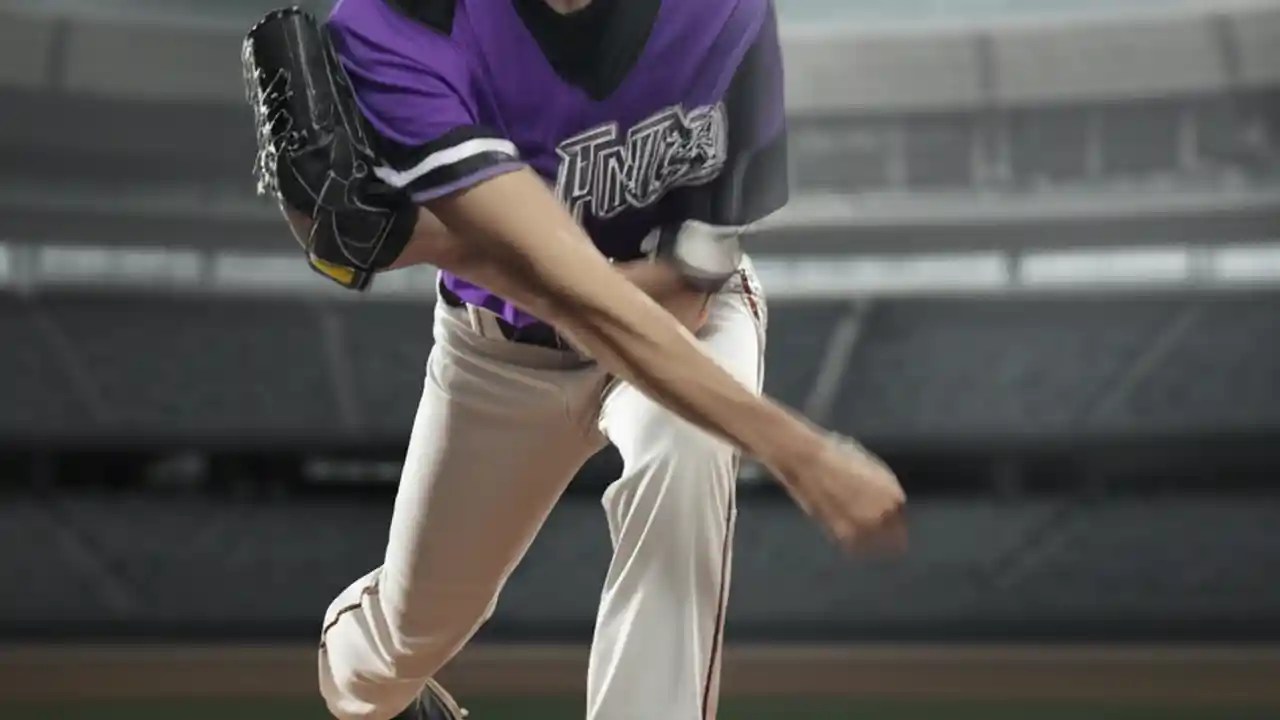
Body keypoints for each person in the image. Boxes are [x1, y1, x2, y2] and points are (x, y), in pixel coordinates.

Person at [242, 1, 905, 718]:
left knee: (684, 449)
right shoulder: (401, 21)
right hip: (497, 353)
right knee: (401, 642)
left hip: (686, 323)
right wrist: (801, 452)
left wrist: (433, 240)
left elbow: (687, 283)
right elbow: (558, 278)